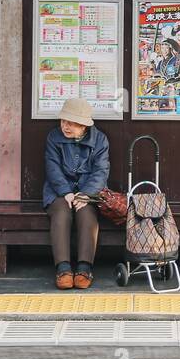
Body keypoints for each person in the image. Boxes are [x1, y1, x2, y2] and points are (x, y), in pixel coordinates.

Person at [43, 97, 109, 290]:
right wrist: (65, 191)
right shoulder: (53, 137)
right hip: (58, 190)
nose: (65, 126)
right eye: (63, 121)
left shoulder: (100, 140)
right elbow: (52, 168)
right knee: (61, 212)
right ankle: (63, 269)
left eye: (71, 123)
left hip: (88, 191)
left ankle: (84, 268)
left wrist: (86, 194)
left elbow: (101, 171)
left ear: (83, 126)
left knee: (87, 213)